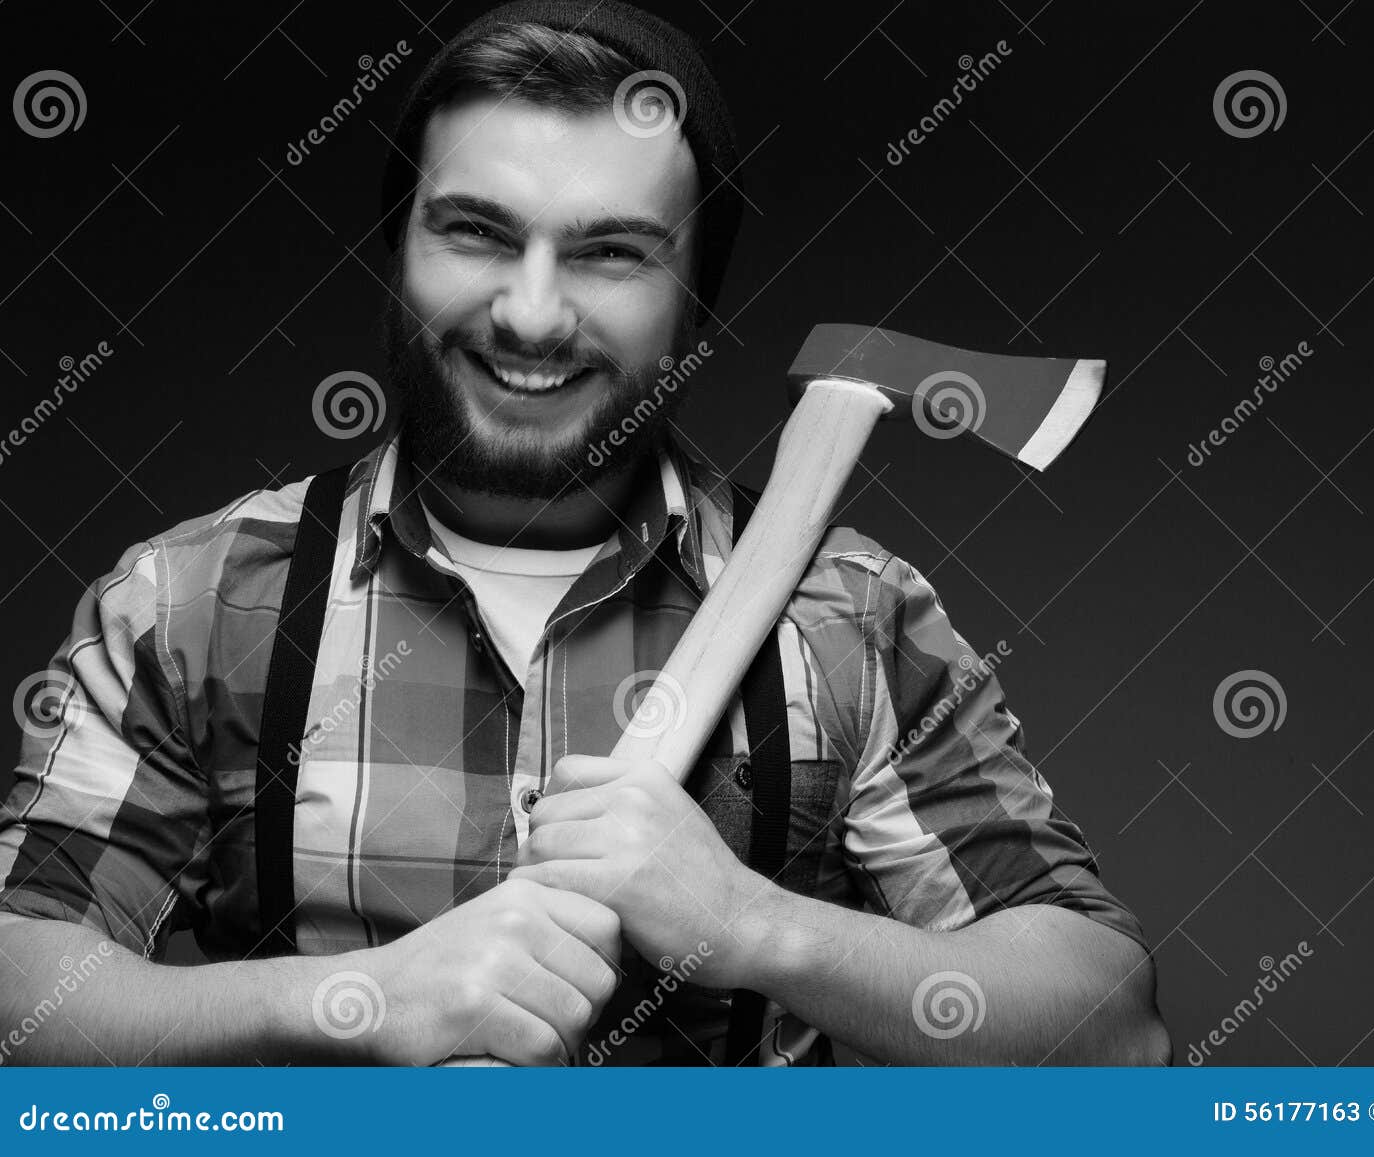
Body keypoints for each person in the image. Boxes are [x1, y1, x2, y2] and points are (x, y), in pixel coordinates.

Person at [0, 0, 1168, 1066]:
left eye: (612, 252)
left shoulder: (850, 621)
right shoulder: (197, 605)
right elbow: (18, 996)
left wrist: (754, 925)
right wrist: (355, 995)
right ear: (396, 251)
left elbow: (1111, 1033)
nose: (532, 312)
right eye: (475, 232)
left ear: (692, 298)